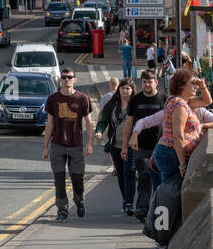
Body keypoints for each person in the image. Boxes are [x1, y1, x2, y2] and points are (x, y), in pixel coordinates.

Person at [148, 69, 209, 249]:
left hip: (170, 152)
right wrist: (182, 164)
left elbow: (208, 102)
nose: (195, 87)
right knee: (170, 196)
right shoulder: (180, 106)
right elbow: (178, 137)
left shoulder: (183, 102)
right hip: (171, 154)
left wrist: (202, 85)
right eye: (192, 84)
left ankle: (167, 236)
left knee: (172, 194)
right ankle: (164, 241)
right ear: (182, 86)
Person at [42, 70, 94, 221]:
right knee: (59, 180)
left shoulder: (82, 98)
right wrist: (45, 146)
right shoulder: (53, 99)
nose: (66, 80)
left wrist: (90, 143)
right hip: (57, 144)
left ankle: (79, 201)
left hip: (76, 145)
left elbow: (89, 123)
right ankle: (62, 209)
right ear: (61, 80)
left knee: (77, 179)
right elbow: (49, 123)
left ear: (75, 80)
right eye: (64, 77)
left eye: (69, 77)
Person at [120, 69, 167, 224]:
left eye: (150, 81)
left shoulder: (163, 99)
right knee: (144, 176)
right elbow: (128, 123)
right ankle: (142, 208)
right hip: (139, 147)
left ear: (156, 82)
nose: (147, 84)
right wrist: (125, 146)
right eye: (144, 81)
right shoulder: (136, 100)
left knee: (159, 178)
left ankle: (158, 207)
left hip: (160, 146)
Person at [95, 79, 136, 214]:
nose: (125, 91)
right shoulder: (112, 104)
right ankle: (125, 201)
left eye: (128, 88)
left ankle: (129, 203)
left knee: (129, 172)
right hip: (115, 145)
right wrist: (99, 131)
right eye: (123, 88)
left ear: (132, 90)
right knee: (120, 174)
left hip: (131, 145)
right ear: (118, 90)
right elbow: (103, 120)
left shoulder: (136, 104)